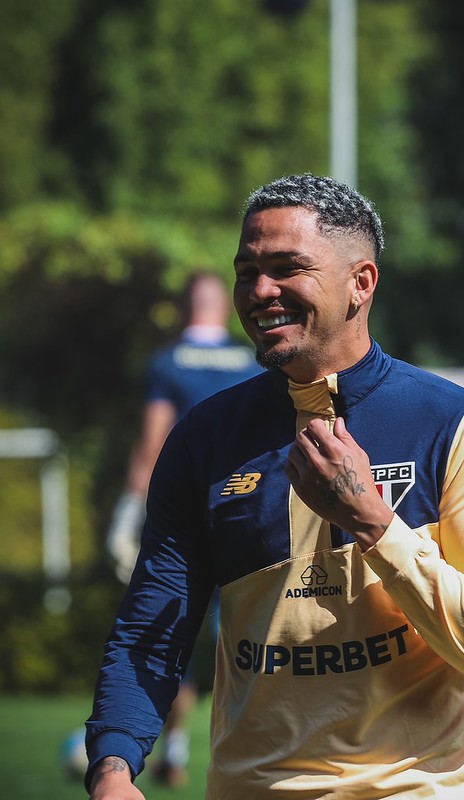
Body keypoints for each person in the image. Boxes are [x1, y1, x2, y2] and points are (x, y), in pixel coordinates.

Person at [85, 173, 464, 800]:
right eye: (247, 271)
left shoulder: (458, 423)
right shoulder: (205, 437)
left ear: (362, 283)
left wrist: (377, 527)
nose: (260, 291)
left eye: (287, 268)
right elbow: (153, 626)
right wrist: (112, 767)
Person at [105, 270, 262, 787]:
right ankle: (254, 741)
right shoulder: (251, 359)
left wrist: (129, 510)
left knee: (168, 634)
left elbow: (153, 443)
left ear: (184, 306)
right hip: (247, 508)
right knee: (244, 635)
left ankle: (173, 749)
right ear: (224, 304)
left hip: (184, 517)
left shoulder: (168, 362)